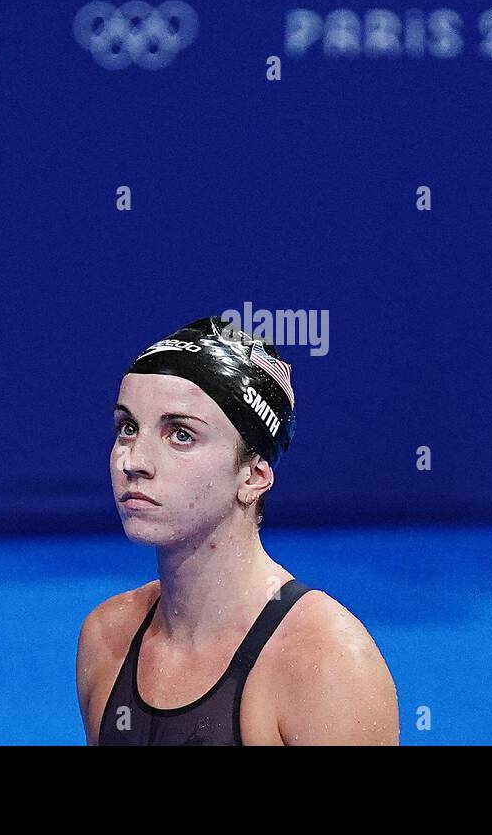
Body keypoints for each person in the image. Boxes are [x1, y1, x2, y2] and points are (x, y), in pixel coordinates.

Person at [76, 316, 398, 745]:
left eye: (181, 435)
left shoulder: (326, 663)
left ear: (254, 475)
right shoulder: (106, 638)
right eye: (128, 427)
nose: (134, 460)